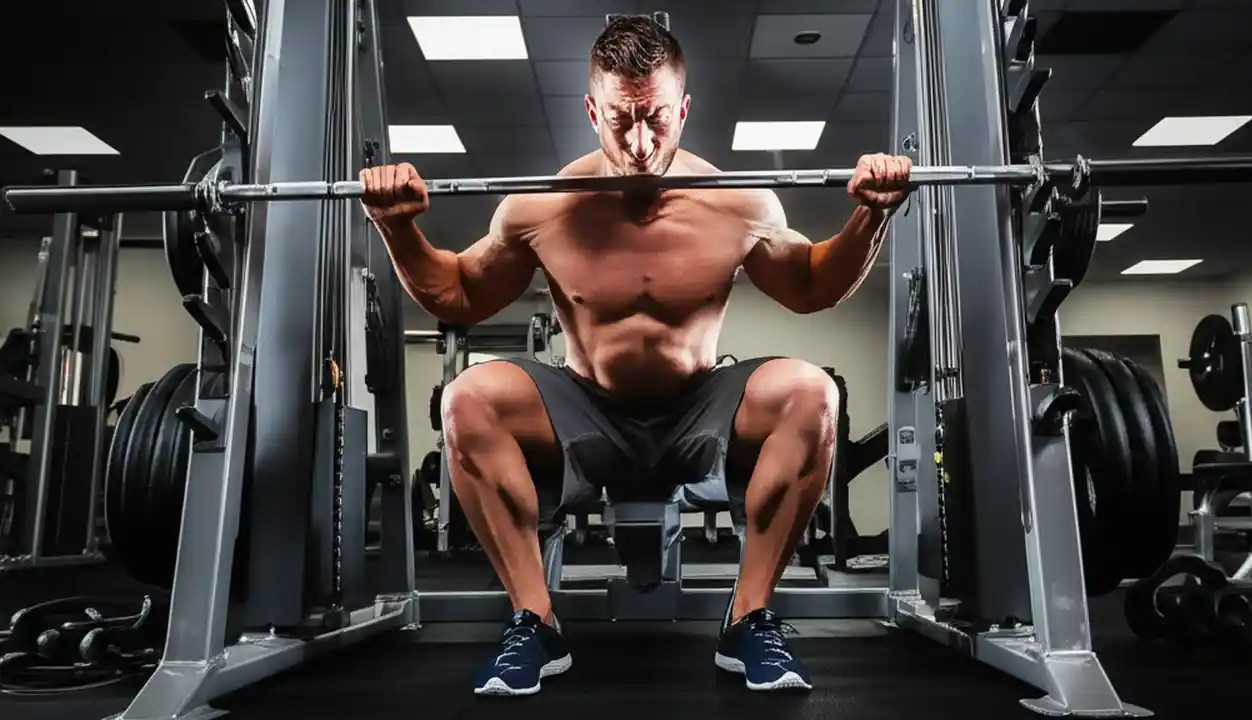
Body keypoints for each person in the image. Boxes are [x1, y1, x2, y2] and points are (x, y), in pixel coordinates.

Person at [362, 15, 912, 697]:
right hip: (584, 407)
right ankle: (534, 622)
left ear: (682, 109)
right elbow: (458, 294)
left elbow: (810, 286)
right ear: (593, 110)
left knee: (812, 394)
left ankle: (749, 619)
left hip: (699, 406)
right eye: (622, 120)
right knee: (466, 398)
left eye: (656, 118)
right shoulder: (543, 207)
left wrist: (872, 216)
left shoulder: (737, 202)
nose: (642, 141)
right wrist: (398, 227)